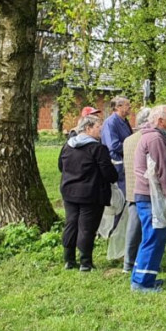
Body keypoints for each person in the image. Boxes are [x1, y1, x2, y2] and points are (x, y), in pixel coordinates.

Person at [58, 114, 119, 271]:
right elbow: (109, 174)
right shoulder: (98, 149)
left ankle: (69, 260)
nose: (101, 131)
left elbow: (61, 166)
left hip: (69, 191)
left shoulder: (67, 146)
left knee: (71, 224)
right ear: (88, 128)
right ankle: (85, 262)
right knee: (87, 227)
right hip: (91, 194)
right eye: (98, 127)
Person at [130, 105, 166, 292]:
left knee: (152, 237)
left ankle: (143, 277)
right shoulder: (155, 138)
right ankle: (141, 283)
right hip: (150, 196)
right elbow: (163, 170)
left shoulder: (155, 136)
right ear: (160, 121)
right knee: (153, 238)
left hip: (150, 195)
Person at [120, 107, 151, 271]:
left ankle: (129, 262)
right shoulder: (151, 139)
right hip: (146, 188)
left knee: (133, 227)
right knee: (147, 228)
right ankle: (142, 262)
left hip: (132, 187)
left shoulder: (128, 140)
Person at [101, 96, 133, 192]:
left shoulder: (124, 121)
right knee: (120, 192)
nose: (130, 107)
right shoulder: (110, 122)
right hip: (116, 162)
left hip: (125, 160)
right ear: (118, 107)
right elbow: (113, 145)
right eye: (127, 104)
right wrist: (131, 148)